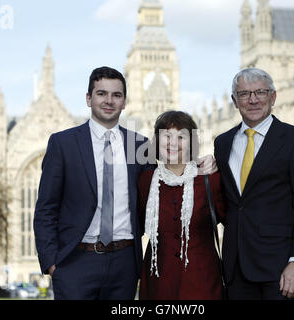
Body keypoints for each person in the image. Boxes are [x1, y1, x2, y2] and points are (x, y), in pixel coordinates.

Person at [34, 67, 216, 300]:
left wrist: (203, 164)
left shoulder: (141, 146)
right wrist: (52, 263)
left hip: (124, 263)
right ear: (89, 99)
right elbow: (46, 208)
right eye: (101, 94)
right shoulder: (63, 143)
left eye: (116, 95)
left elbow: (171, 177)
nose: (109, 101)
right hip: (75, 262)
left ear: (125, 102)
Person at [214, 67, 294, 300]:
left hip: (281, 270)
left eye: (260, 92)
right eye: (244, 94)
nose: (252, 100)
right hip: (235, 270)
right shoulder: (222, 143)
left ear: (272, 97)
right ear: (235, 101)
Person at [138, 110, 226, 300]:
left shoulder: (211, 179)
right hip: (158, 286)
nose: (173, 143)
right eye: (166, 136)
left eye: (181, 136)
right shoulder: (146, 181)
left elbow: (233, 223)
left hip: (203, 286)